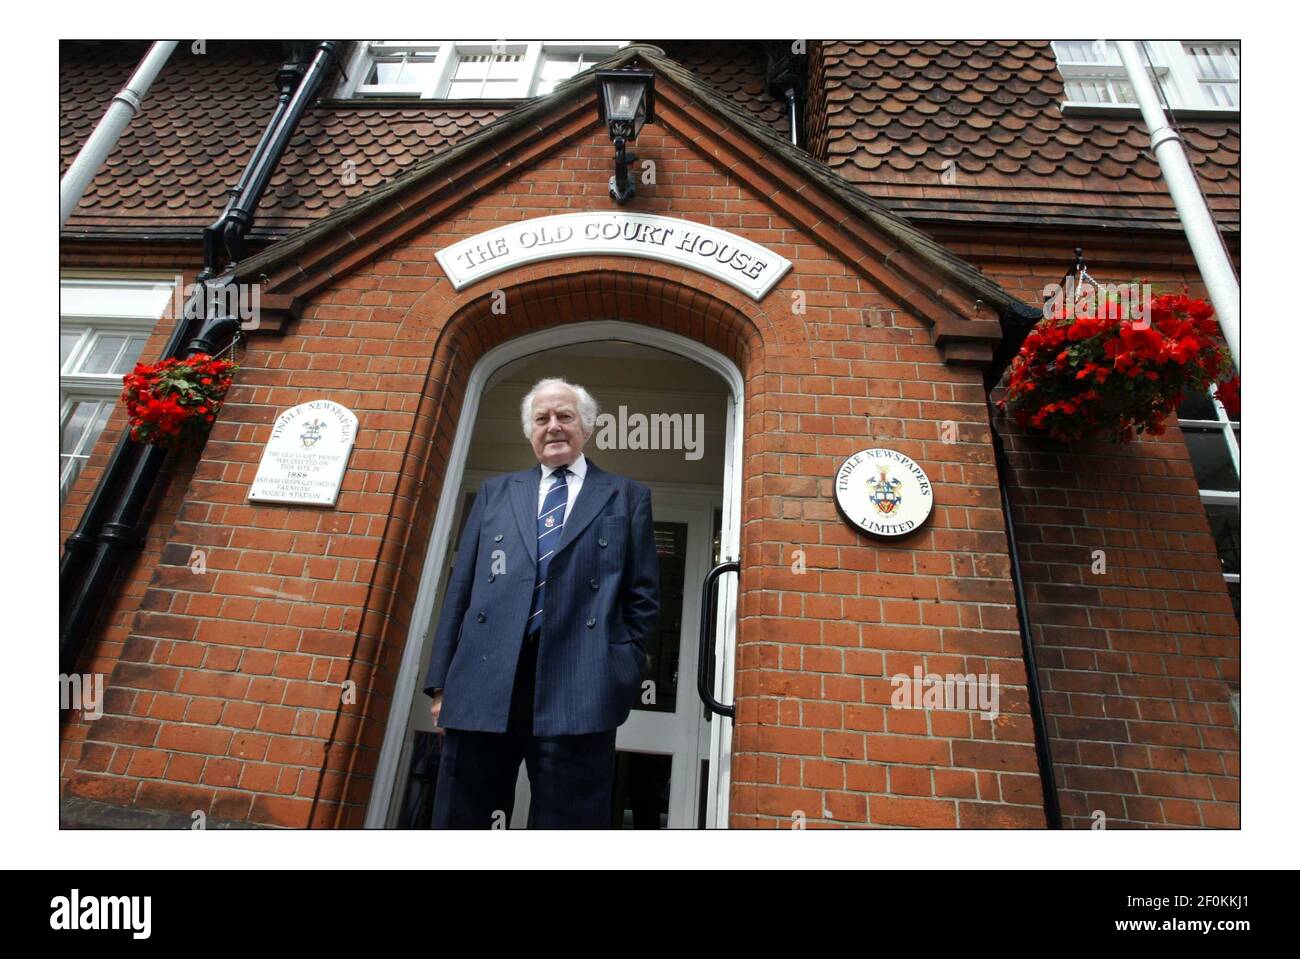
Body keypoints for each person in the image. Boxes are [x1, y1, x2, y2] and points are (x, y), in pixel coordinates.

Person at [422, 377, 660, 828]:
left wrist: (618, 671)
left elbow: (642, 599)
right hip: (483, 682)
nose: (553, 426)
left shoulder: (627, 497)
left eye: (564, 416)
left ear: (586, 427)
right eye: (541, 419)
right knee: (464, 819)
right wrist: (441, 684)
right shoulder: (495, 493)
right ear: (530, 431)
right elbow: (461, 591)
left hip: (581, 686)